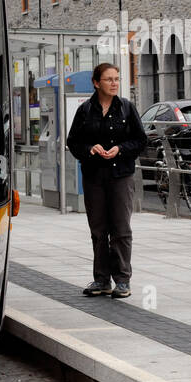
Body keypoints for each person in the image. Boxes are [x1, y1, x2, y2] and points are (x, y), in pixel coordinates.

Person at [65, 63, 147, 299]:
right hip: (94, 177)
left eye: (117, 79)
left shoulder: (127, 108)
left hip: (121, 176)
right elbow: (74, 142)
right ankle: (102, 279)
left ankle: (122, 280)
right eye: (109, 79)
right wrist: (90, 149)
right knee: (99, 230)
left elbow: (141, 141)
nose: (114, 83)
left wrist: (119, 149)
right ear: (96, 82)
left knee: (121, 228)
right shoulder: (85, 110)